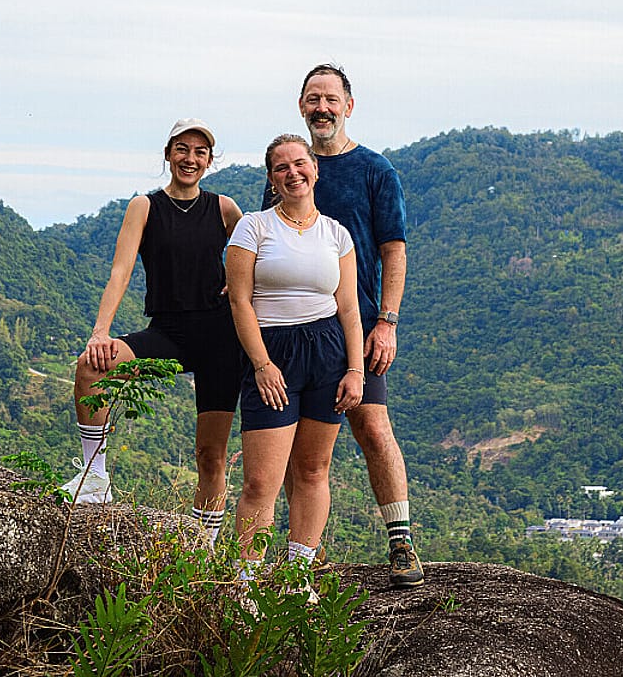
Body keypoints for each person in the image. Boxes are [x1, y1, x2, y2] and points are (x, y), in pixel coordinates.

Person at [273, 63, 425, 587]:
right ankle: (301, 557)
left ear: (349, 106)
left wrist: (387, 321)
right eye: (312, 99)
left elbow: (393, 250)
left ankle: (401, 541)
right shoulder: (288, 167)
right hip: (295, 330)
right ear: (301, 107)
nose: (322, 108)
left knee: (372, 426)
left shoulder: (376, 171)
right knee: (299, 446)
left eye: (330, 99)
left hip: (358, 323)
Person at [62, 118, 243, 548]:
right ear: (167, 154)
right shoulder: (144, 207)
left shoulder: (224, 208)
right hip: (167, 332)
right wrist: (101, 331)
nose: (190, 159)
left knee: (210, 456)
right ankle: (95, 478)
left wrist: (239, 282)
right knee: (90, 368)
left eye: (200, 152)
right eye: (182, 149)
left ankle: (205, 549)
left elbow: (259, 256)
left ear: (210, 160)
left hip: (220, 338)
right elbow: (121, 270)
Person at [226, 134, 364, 583]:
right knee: (260, 482)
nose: (293, 173)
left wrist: (355, 370)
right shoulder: (253, 227)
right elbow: (240, 302)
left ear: (315, 169)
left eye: (300, 163)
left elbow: (348, 307)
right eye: (282, 167)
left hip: (327, 351)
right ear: (271, 178)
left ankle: (296, 576)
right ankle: (245, 583)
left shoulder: (337, 235)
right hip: (273, 352)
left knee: (312, 470)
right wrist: (262, 365)